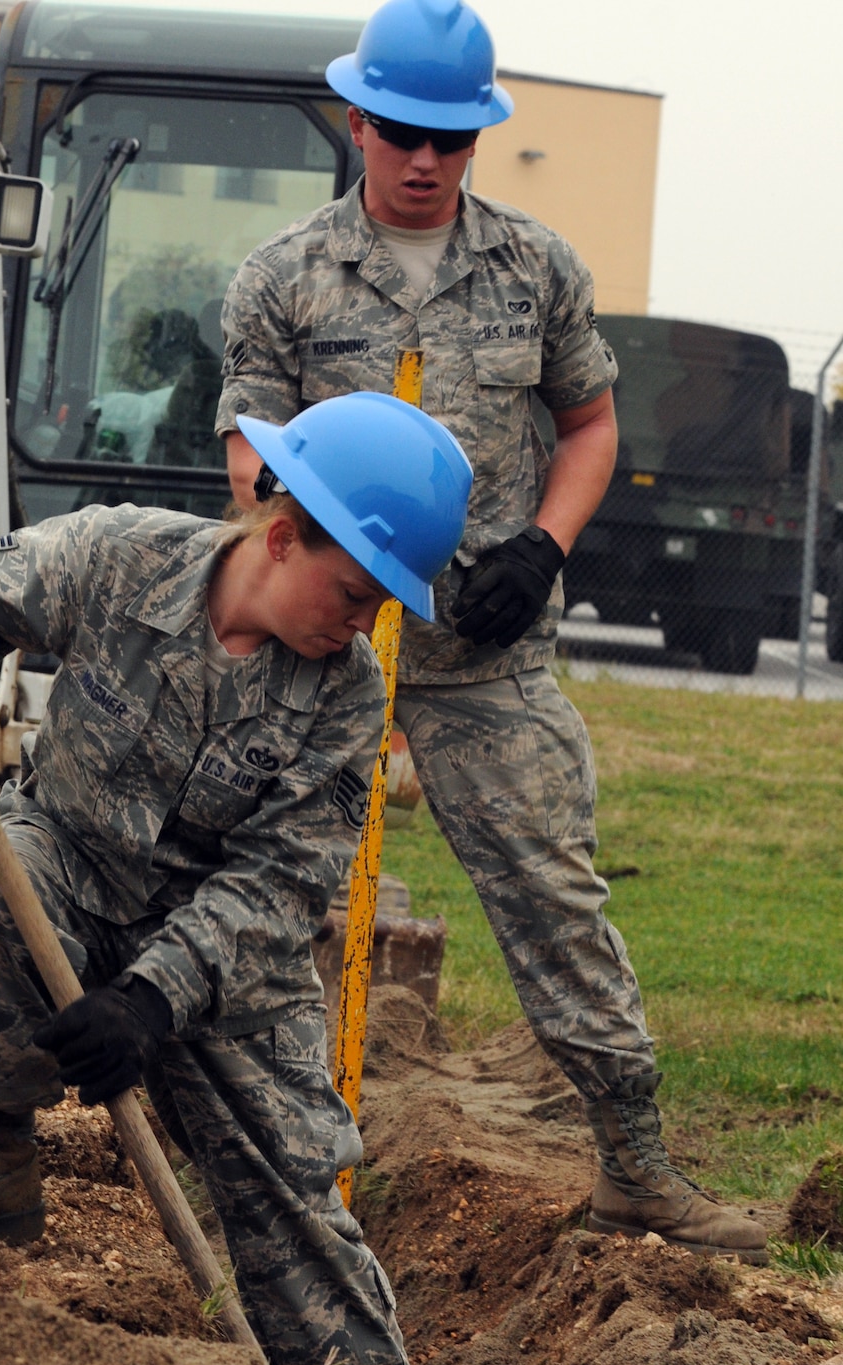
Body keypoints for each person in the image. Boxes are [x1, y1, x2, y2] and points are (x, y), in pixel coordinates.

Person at [0, 391, 523, 1365]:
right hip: (70, 861)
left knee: (292, 1171)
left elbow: (272, 888)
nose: (359, 623)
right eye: (354, 591)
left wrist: (151, 1001)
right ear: (282, 526)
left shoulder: (347, 697)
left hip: (218, 957)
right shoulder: (126, 556)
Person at [217, 0, 766, 1264]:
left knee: (553, 896)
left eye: (448, 141)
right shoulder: (283, 275)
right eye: (400, 132)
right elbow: (247, 449)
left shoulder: (536, 268)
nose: (422, 161)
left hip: (484, 655)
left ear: (475, 141)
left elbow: (586, 429)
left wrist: (542, 549)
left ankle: (636, 1166)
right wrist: (313, 543)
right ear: (357, 120)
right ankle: (256, 1166)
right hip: (323, 644)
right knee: (258, 895)